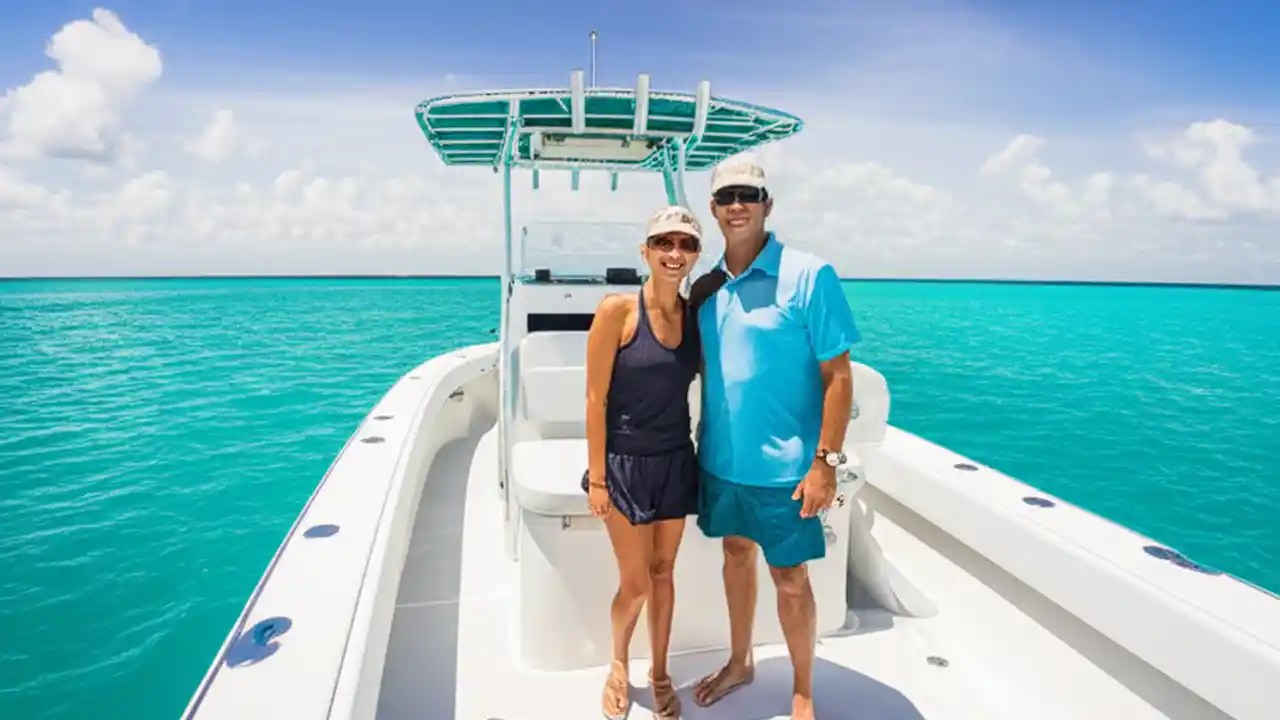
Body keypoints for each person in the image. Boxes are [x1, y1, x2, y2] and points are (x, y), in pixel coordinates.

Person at [688, 159, 860, 720]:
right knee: (735, 554)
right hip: (720, 461)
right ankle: (741, 662)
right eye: (726, 197)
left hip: (789, 470)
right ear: (713, 210)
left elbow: (838, 376)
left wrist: (825, 464)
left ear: (768, 204)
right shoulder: (706, 287)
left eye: (749, 195)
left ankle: (804, 690)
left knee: (791, 579)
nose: (737, 205)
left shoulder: (810, 275)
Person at [582, 205, 704, 720]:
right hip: (624, 465)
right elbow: (594, 399)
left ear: (695, 255)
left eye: (686, 245)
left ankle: (658, 671)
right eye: (664, 243)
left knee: (664, 571)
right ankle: (617, 665)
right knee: (634, 583)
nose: (674, 254)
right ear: (645, 252)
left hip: (677, 461)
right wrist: (599, 480)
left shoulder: (694, 317)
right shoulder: (617, 311)